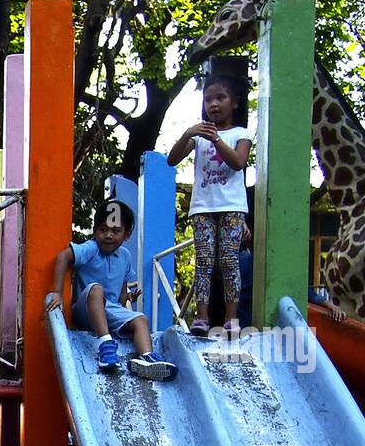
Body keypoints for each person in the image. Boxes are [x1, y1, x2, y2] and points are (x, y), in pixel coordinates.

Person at [47, 199, 178, 381]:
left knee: (140, 319)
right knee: (96, 289)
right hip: (84, 311)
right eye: (103, 230)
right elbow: (63, 257)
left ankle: (147, 358)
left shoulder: (125, 256)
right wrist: (58, 292)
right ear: (95, 231)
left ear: (127, 234)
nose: (108, 235)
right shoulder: (91, 248)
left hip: (109, 310)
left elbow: (121, 292)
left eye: (115, 231)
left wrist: (129, 298)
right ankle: (106, 345)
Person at [168, 74, 253, 337]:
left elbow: (238, 162)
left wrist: (216, 139)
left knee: (229, 261)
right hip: (203, 208)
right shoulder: (199, 136)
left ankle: (231, 318)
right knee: (204, 261)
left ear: (234, 102)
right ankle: (202, 318)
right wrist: (187, 134)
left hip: (232, 207)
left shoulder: (241, 134)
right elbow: (172, 160)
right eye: (208, 100)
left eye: (220, 98)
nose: (213, 104)